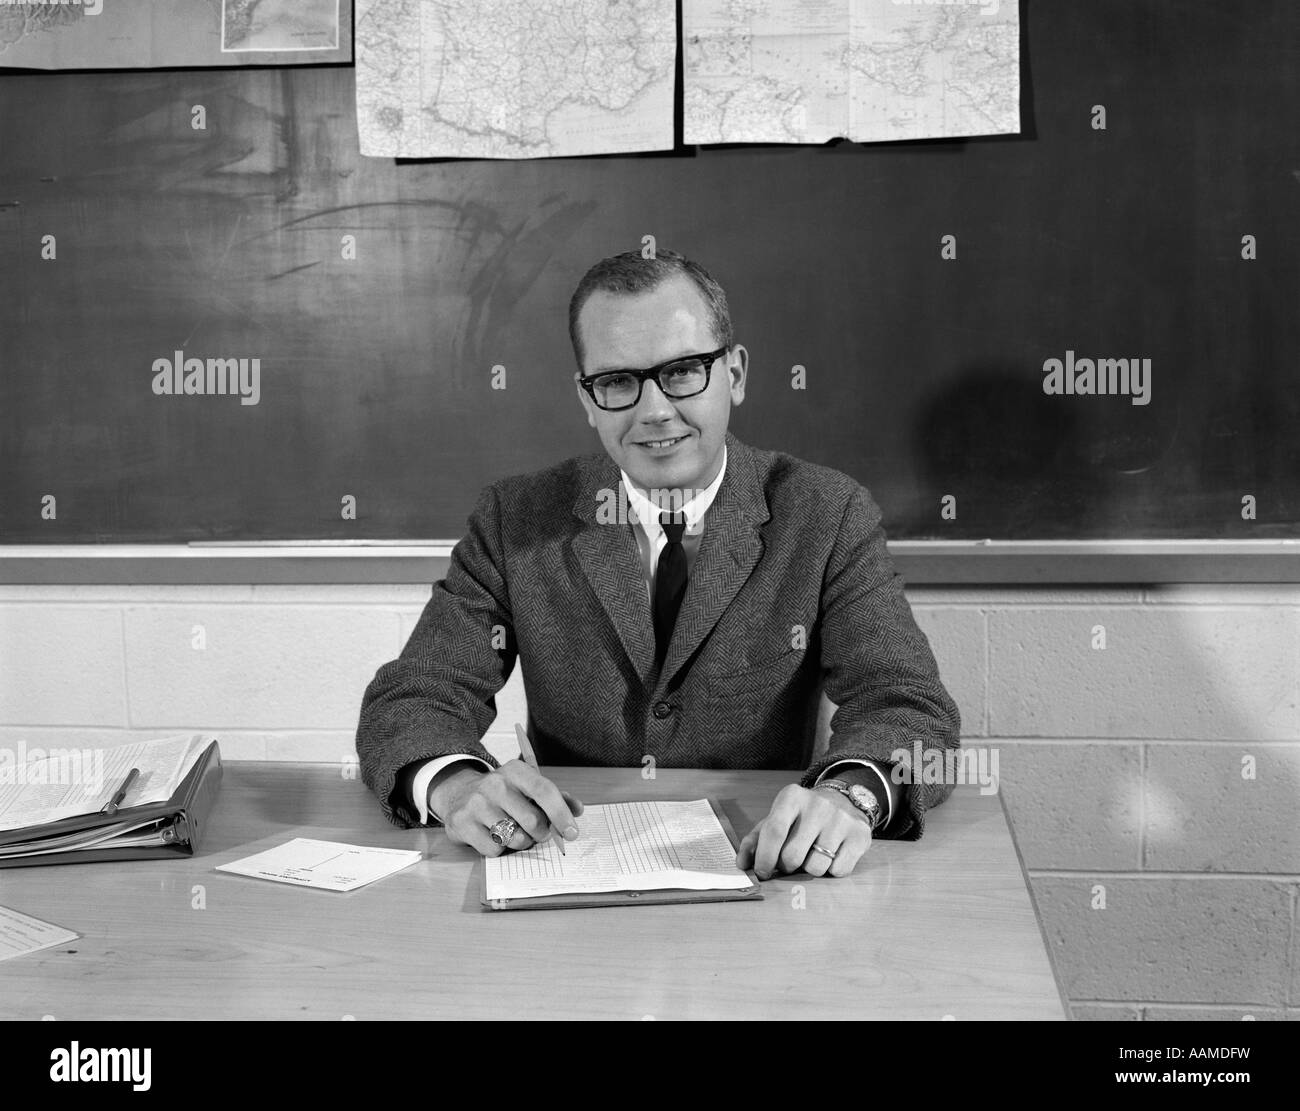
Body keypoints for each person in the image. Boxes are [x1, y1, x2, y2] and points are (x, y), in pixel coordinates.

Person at [355, 248, 960, 880]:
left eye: (683, 371)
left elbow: (908, 704)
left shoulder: (825, 514)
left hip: (764, 873)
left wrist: (850, 796)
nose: (654, 411)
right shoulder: (517, 519)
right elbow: (414, 697)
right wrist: (456, 785)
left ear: (735, 374)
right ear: (588, 399)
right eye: (618, 382)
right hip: (568, 867)